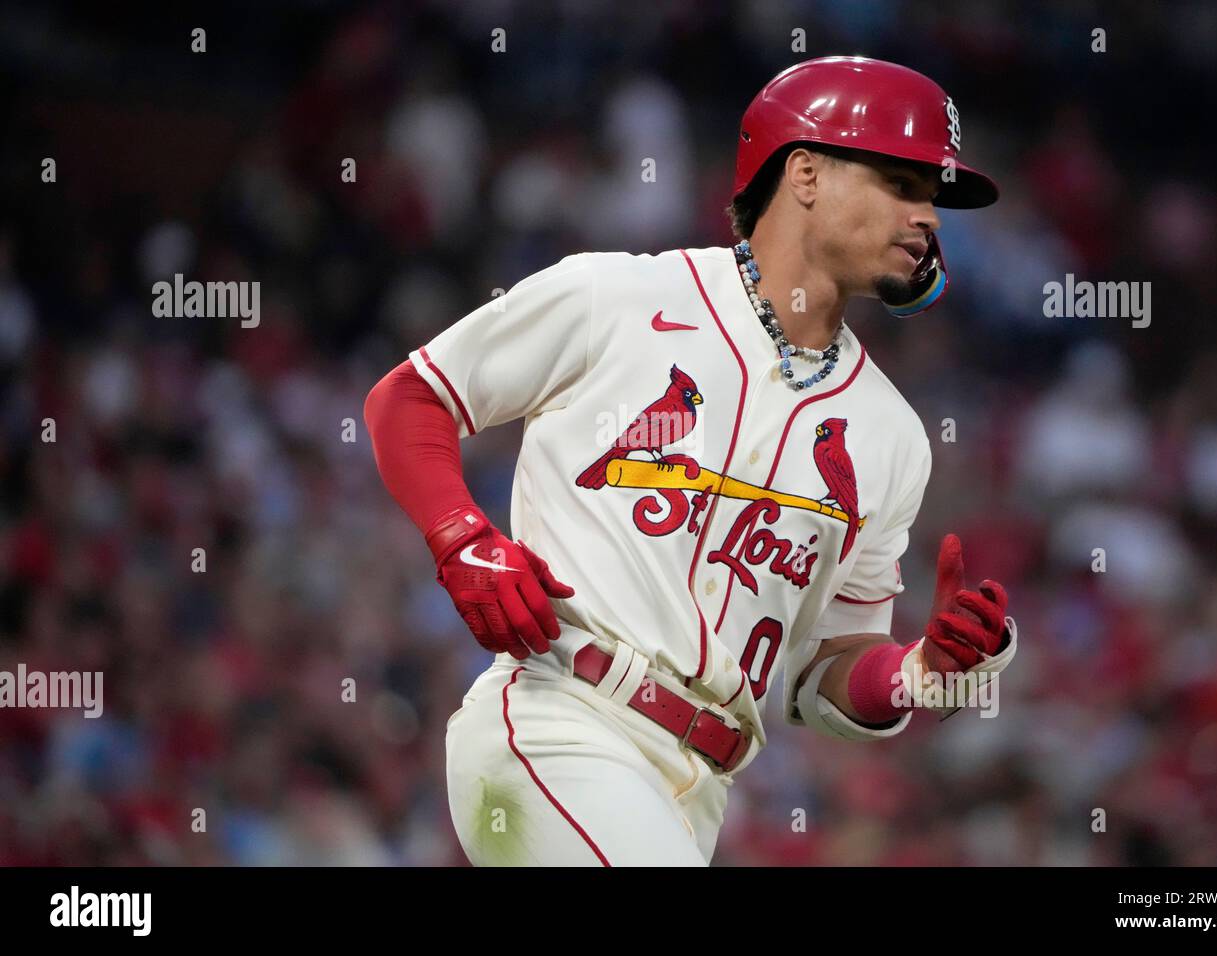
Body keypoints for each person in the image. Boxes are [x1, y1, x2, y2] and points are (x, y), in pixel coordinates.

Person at [364, 56, 1018, 866]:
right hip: (558, 723)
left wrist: (922, 670)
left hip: (699, 795)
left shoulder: (892, 436)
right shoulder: (619, 298)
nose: (928, 217)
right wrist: (461, 537)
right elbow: (411, 399)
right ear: (806, 174)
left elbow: (825, 676)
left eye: (932, 197)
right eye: (903, 183)